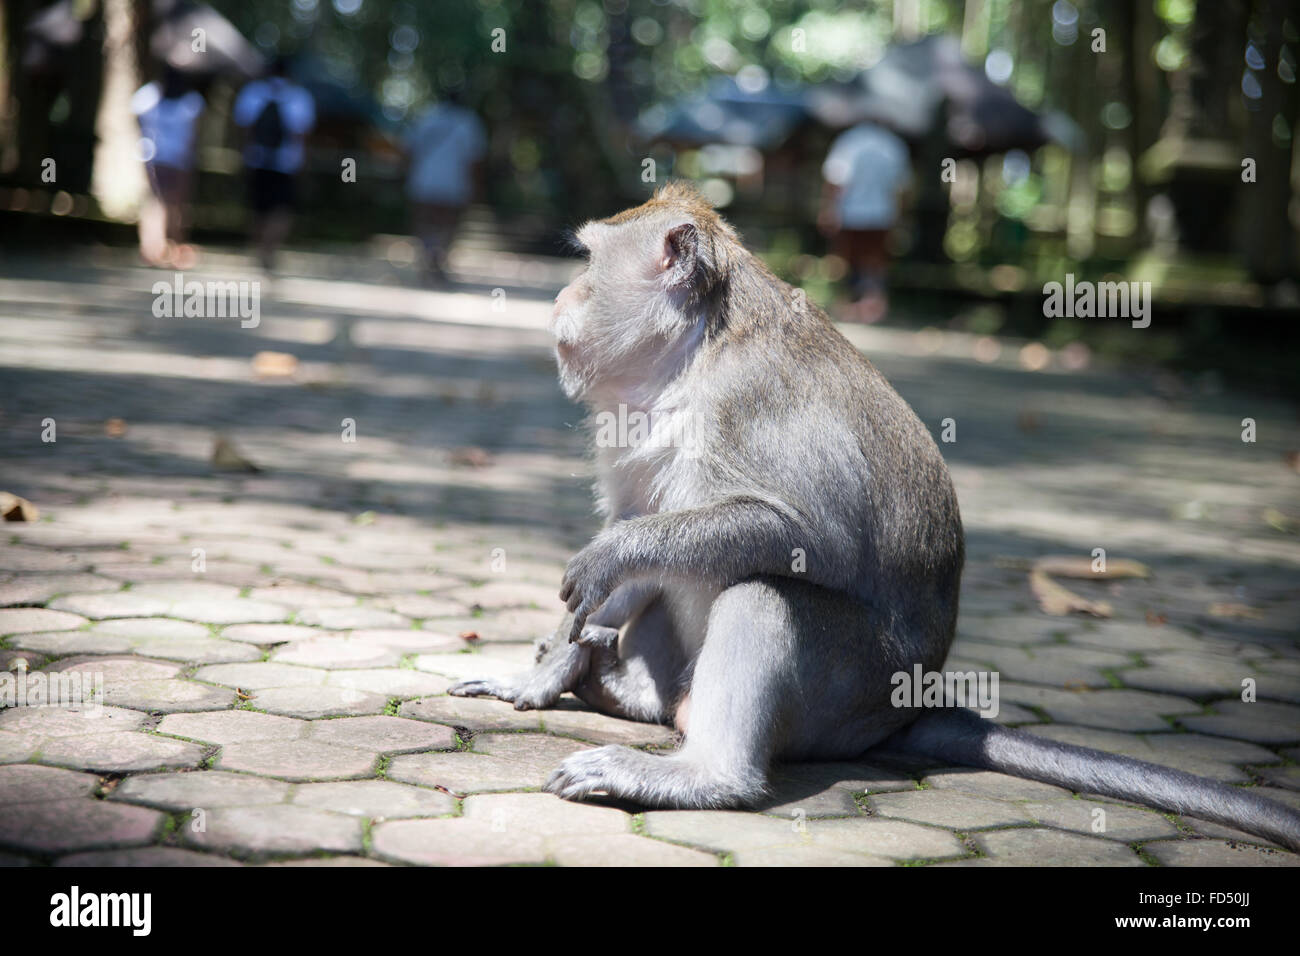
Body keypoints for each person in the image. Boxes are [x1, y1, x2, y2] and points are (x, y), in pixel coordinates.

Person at [819, 120, 911, 323]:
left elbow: (835, 180)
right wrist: (900, 216)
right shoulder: (893, 144)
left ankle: (848, 307)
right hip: (882, 214)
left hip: (851, 213)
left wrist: (829, 209)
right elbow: (901, 187)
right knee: (876, 263)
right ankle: (873, 307)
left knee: (846, 260)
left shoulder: (849, 141)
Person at [233, 56, 316, 272]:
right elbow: (302, 135)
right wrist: (302, 163)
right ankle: (269, 250)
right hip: (286, 164)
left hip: (257, 159)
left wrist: (244, 156)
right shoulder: (300, 98)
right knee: (282, 209)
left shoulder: (252, 93)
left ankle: (261, 249)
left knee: (258, 208)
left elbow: (244, 129)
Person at [404, 90, 487, 285]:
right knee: (447, 226)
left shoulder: (427, 117)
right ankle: (437, 262)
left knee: (425, 223)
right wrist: (476, 187)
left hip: (423, 181)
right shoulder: (468, 122)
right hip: (453, 183)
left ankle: (428, 261)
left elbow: (409, 149)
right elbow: (475, 160)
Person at [131, 67, 205, 268]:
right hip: (179, 159)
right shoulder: (191, 101)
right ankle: (174, 248)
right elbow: (195, 134)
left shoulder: (147, 95)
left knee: (155, 201)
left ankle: (151, 248)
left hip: (153, 157)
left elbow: (137, 119)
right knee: (176, 205)